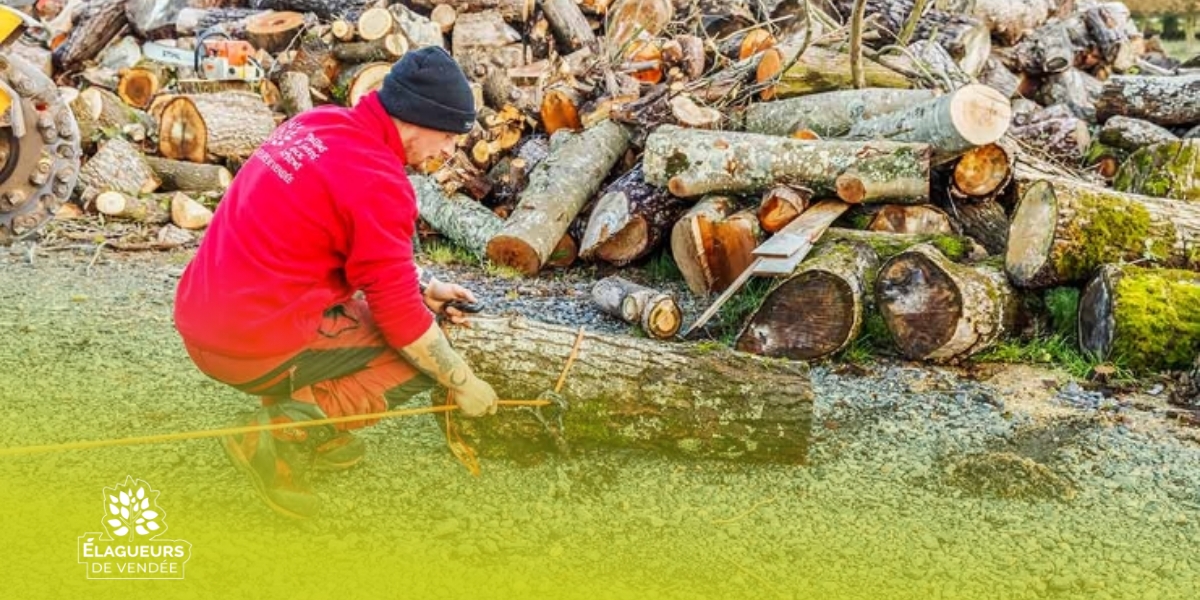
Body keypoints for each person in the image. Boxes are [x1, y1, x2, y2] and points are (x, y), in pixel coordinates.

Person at [172, 46, 499, 520]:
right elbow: (404, 324)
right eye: (448, 136)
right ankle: (277, 434)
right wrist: (465, 384)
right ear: (415, 119)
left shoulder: (318, 124)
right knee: (422, 351)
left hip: (205, 316)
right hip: (246, 344)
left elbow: (350, 250)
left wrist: (420, 285)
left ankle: (312, 422)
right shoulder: (380, 182)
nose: (449, 151)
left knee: (390, 316)